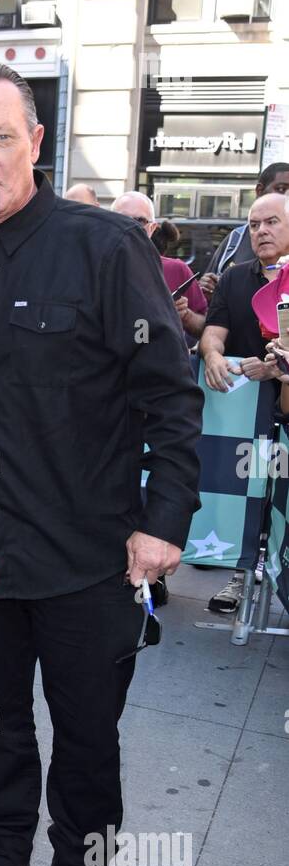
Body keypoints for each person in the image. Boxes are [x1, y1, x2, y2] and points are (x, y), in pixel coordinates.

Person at [0, 61, 202, 866]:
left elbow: (170, 393)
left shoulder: (104, 247)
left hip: (90, 557)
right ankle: (1, 855)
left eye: (0, 137)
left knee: (88, 734)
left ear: (35, 143)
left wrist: (163, 522)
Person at [199, 191, 289, 614]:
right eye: (254, 225)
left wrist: (279, 367)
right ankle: (239, 575)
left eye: (271, 222)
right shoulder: (235, 277)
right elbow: (213, 330)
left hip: (286, 414)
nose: (261, 232)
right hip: (243, 419)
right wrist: (212, 355)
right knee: (248, 490)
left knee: (280, 500)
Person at [112, 191, 208, 343]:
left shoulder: (176, 270)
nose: (129, 226)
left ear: (152, 228)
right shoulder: (92, 269)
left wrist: (185, 314)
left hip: (157, 364)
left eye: (139, 220)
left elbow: (207, 329)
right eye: (122, 218)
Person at [200, 162, 289, 296]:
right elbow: (209, 302)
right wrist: (210, 290)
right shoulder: (235, 240)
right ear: (260, 191)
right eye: (281, 189)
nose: (263, 232)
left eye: (272, 222)